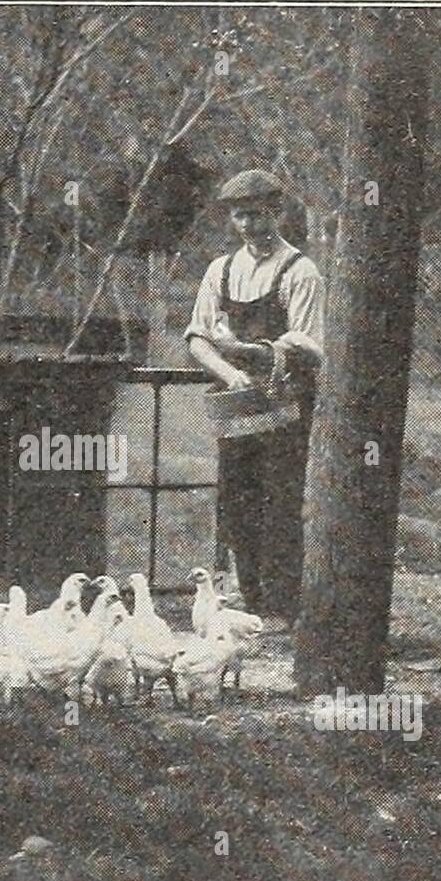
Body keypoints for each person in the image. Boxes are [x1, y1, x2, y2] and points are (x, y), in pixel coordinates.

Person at [184, 169, 325, 630]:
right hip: (239, 405)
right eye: (240, 216)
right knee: (236, 499)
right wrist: (229, 372)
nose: (248, 225)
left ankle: (281, 606)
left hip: (284, 404)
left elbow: (308, 342)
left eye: (257, 215)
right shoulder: (221, 270)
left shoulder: (299, 271)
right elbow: (199, 338)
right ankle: (246, 597)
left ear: (277, 213)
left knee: (280, 499)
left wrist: (252, 353)